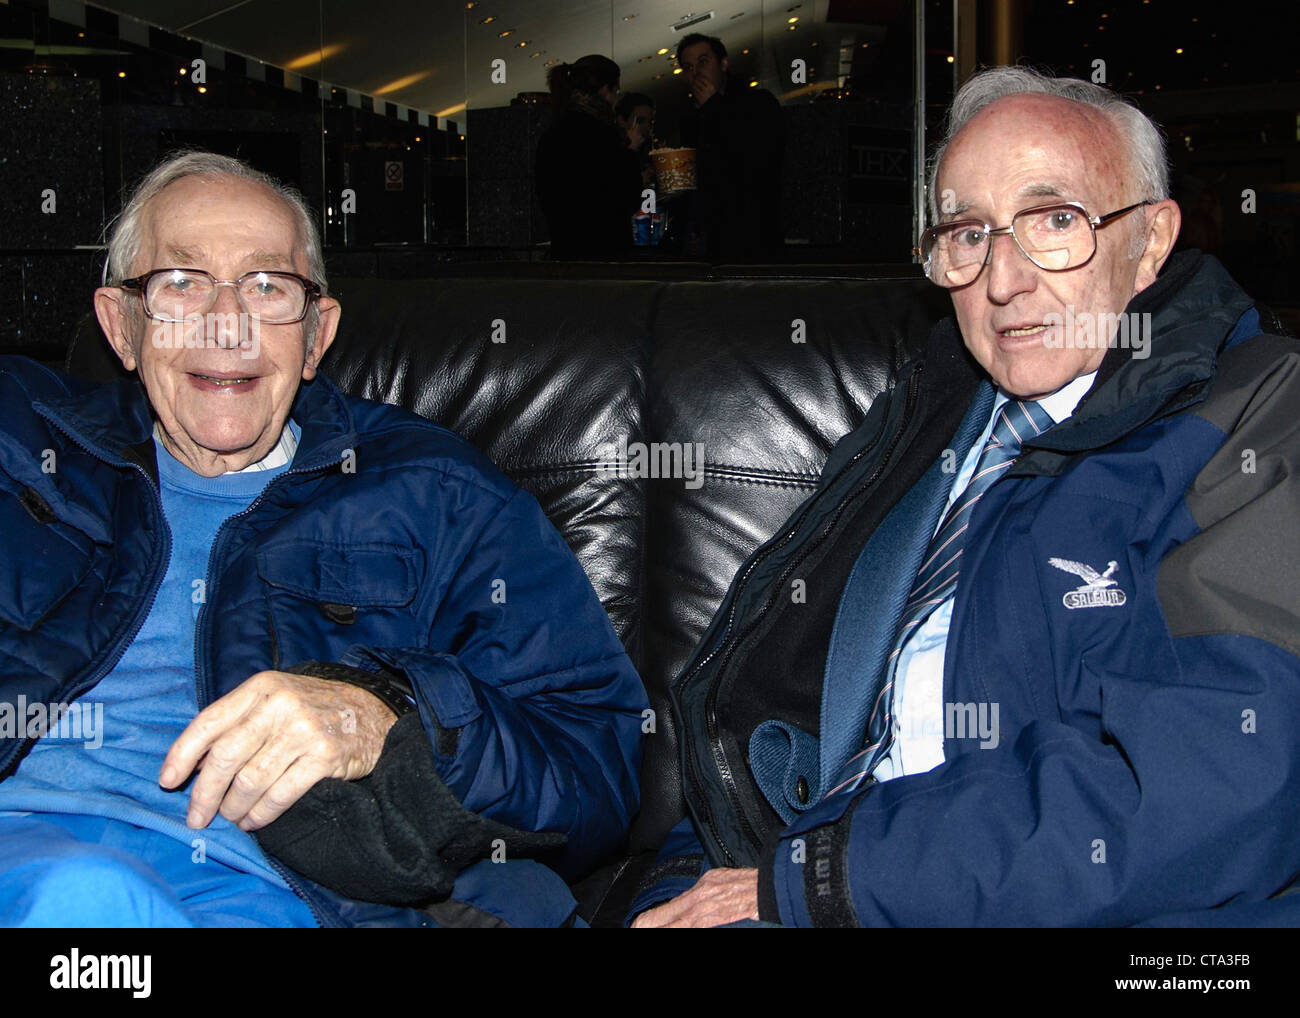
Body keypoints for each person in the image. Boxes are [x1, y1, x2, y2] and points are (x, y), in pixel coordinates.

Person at [632, 66, 1300, 927]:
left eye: (1055, 222)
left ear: (1153, 239)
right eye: (968, 233)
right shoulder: (929, 415)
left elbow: (1217, 782)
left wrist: (827, 883)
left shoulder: (1255, 414)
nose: (1003, 279)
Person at [0, 151, 646, 928]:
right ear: (121, 325)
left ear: (316, 337)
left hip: (252, 894)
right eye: (181, 283)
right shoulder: (21, 437)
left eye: (268, 287)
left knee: (88, 900)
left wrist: (393, 713)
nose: (228, 323)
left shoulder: (434, 492)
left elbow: (599, 763)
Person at [676, 33, 784, 261]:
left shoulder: (757, 103)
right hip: (709, 241)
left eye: (703, 62)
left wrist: (713, 106)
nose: (696, 72)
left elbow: (758, 159)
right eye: (688, 67)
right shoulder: (688, 118)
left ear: (723, 63)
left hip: (752, 237)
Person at [535, 55, 643, 259]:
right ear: (604, 90)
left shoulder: (553, 133)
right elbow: (624, 198)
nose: (615, 99)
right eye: (615, 91)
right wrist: (630, 151)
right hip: (603, 251)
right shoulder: (602, 133)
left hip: (566, 250)